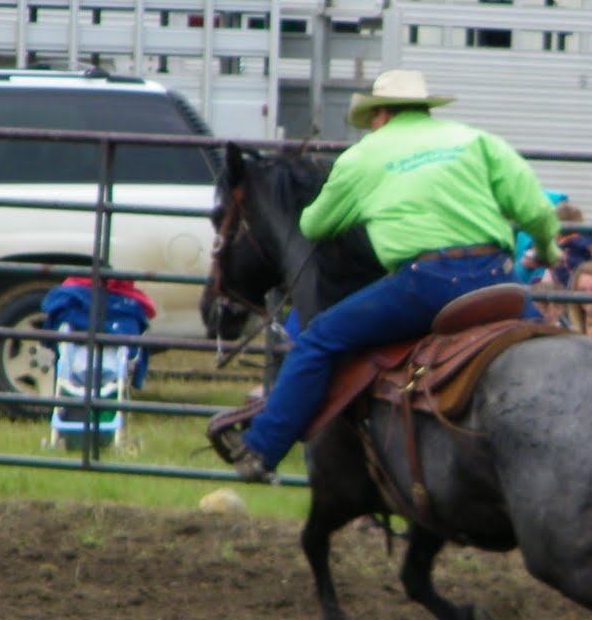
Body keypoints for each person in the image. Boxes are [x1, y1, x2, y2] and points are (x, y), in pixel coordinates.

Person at [207, 68, 562, 482]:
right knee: (551, 341)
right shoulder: (477, 141)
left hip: (425, 284)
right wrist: (548, 250)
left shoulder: (364, 157)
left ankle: (261, 449)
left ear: (380, 115)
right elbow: (536, 211)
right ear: (425, 109)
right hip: (496, 279)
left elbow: (314, 226)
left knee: (320, 338)